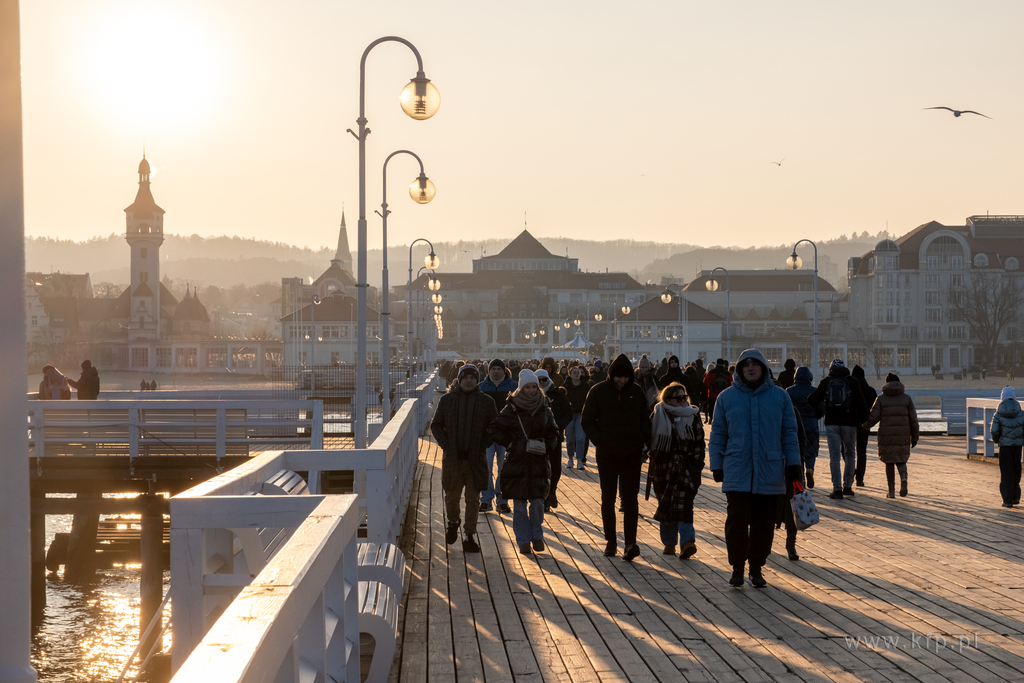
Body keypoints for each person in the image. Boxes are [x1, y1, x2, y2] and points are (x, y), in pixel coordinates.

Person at [709, 349, 801, 588]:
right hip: (737, 469)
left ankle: (757, 567)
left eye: (755, 365)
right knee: (737, 520)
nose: (751, 368)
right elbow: (718, 433)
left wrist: (794, 465)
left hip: (770, 470)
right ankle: (737, 567)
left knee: (763, 524)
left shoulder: (780, 397)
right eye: (746, 365)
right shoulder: (726, 398)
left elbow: (789, 434)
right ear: (740, 370)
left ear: (763, 368)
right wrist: (716, 465)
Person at [581, 353, 651, 561]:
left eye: (625, 377)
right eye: (618, 376)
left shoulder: (636, 392)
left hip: (632, 453)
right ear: (611, 375)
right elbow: (587, 420)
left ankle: (631, 543)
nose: (622, 380)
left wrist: (646, 445)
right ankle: (611, 541)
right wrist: (600, 440)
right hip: (607, 453)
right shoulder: (598, 391)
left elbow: (644, 420)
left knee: (630, 498)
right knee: (608, 497)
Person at [430, 364, 498, 552]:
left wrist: (483, 444)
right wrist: (446, 444)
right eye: (465, 377)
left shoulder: (486, 402)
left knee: (472, 500)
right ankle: (453, 521)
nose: (469, 381)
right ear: (459, 379)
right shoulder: (447, 400)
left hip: (475, 459)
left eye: (472, 378)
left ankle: (469, 535)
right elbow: (436, 425)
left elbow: (494, 427)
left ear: (477, 380)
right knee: (451, 497)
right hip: (453, 459)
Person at [489, 370, 558, 554]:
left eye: (534, 387)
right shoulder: (512, 408)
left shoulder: (544, 407)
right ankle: (523, 540)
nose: (531, 390)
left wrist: (547, 447)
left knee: (537, 502)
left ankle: (537, 534)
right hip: (517, 461)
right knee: (519, 504)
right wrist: (510, 443)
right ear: (521, 388)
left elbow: (553, 432)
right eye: (527, 387)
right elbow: (494, 428)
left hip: (538, 461)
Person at [648, 382, 704, 559]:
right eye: (678, 398)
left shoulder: (693, 416)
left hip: (686, 468)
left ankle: (688, 542)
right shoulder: (658, 414)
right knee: (666, 505)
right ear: (668, 399)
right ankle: (669, 542)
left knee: (684, 505)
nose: (683, 401)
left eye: (684, 397)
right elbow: (649, 439)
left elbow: (699, 443)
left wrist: (696, 467)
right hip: (663, 468)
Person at [808, 359, 867, 500]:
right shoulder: (852, 381)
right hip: (850, 423)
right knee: (850, 453)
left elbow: (811, 399)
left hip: (832, 423)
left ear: (831, 368)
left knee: (834, 456)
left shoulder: (826, 381)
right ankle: (848, 486)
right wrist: (865, 421)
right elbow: (861, 403)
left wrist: (823, 407)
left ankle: (837, 489)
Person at [862, 373, 919, 499]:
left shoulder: (881, 398)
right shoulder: (907, 398)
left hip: (886, 434)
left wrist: (864, 426)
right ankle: (903, 477)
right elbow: (914, 420)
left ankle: (891, 491)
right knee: (901, 459)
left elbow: (873, 417)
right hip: (903, 434)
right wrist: (915, 437)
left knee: (889, 462)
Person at [478, 359, 518, 514]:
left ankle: (502, 500)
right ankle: (486, 500)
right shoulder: (481, 387)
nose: (496, 371)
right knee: (486, 468)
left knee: (504, 468)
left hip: (506, 435)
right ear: (489, 371)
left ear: (504, 370)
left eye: (498, 369)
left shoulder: (514, 387)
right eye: (493, 368)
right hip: (487, 435)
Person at [535, 369, 573, 512]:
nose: (541, 383)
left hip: (555, 437)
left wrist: (558, 427)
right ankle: (543, 497)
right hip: (536, 437)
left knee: (555, 468)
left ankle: (552, 491)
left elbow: (568, 413)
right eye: (538, 380)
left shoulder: (558, 394)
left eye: (544, 379)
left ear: (549, 380)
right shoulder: (532, 394)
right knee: (540, 468)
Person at [786, 367, 823, 489]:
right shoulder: (815, 391)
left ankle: (801, 478)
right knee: (811, 449)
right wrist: (814, 417)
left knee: (797, 450)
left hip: (795, 423)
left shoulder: (789, 391)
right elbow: (821, 409)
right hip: (811, 423)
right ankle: (810, 469)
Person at [990, 386, 1024, 508]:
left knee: (1006, 471)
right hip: (1018, 446)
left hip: (1005, 446)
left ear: (1002, 398)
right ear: (1014, 398)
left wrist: (997, 440)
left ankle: (1007, 500)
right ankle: (1016, 497)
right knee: (1016, 469)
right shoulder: (1021, 413)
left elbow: (994, 431)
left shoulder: (998, 414)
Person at [562, 365, 593, 470]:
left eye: (578, 372)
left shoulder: (585, 386)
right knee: (570, 438)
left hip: (581, 414)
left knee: (580, 438)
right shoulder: (566, 386)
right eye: (574, 372)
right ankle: (570, 459)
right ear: (570, 374)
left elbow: (589, 401)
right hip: (569, 415)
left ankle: (580, 460)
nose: (577, 374)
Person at [851, 365, 877, 487]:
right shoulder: (871, 391)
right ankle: (860, 478)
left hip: (850, 423)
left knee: (846, 450)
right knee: (862, 451)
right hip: (864, 424)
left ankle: (851, 471)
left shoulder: (850, 389)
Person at [703, 358, 732, 423]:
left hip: (712, 396)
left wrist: (705, 395)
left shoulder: (710, 373)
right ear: (723, 365)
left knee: (712, 410)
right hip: (724, 397)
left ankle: (713, 421)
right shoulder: (728, 374)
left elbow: (705, 384)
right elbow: (731, 386)